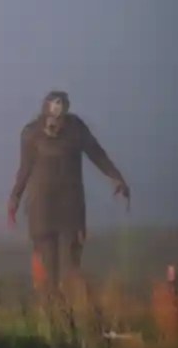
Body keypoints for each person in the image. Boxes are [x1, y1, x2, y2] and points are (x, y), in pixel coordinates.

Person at [8, 91, 129, 297]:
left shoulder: (76, 130)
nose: (55, 122)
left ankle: (71, 313)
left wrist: (116, 177)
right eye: (52, 114)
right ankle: (51, 313)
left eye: (60, 114)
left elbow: (97, 154)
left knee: (70, 267)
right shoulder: (31, 133)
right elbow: (24, 169)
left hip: (70, 208)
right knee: (48, 267)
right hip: (42, 209)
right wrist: (14, 199)